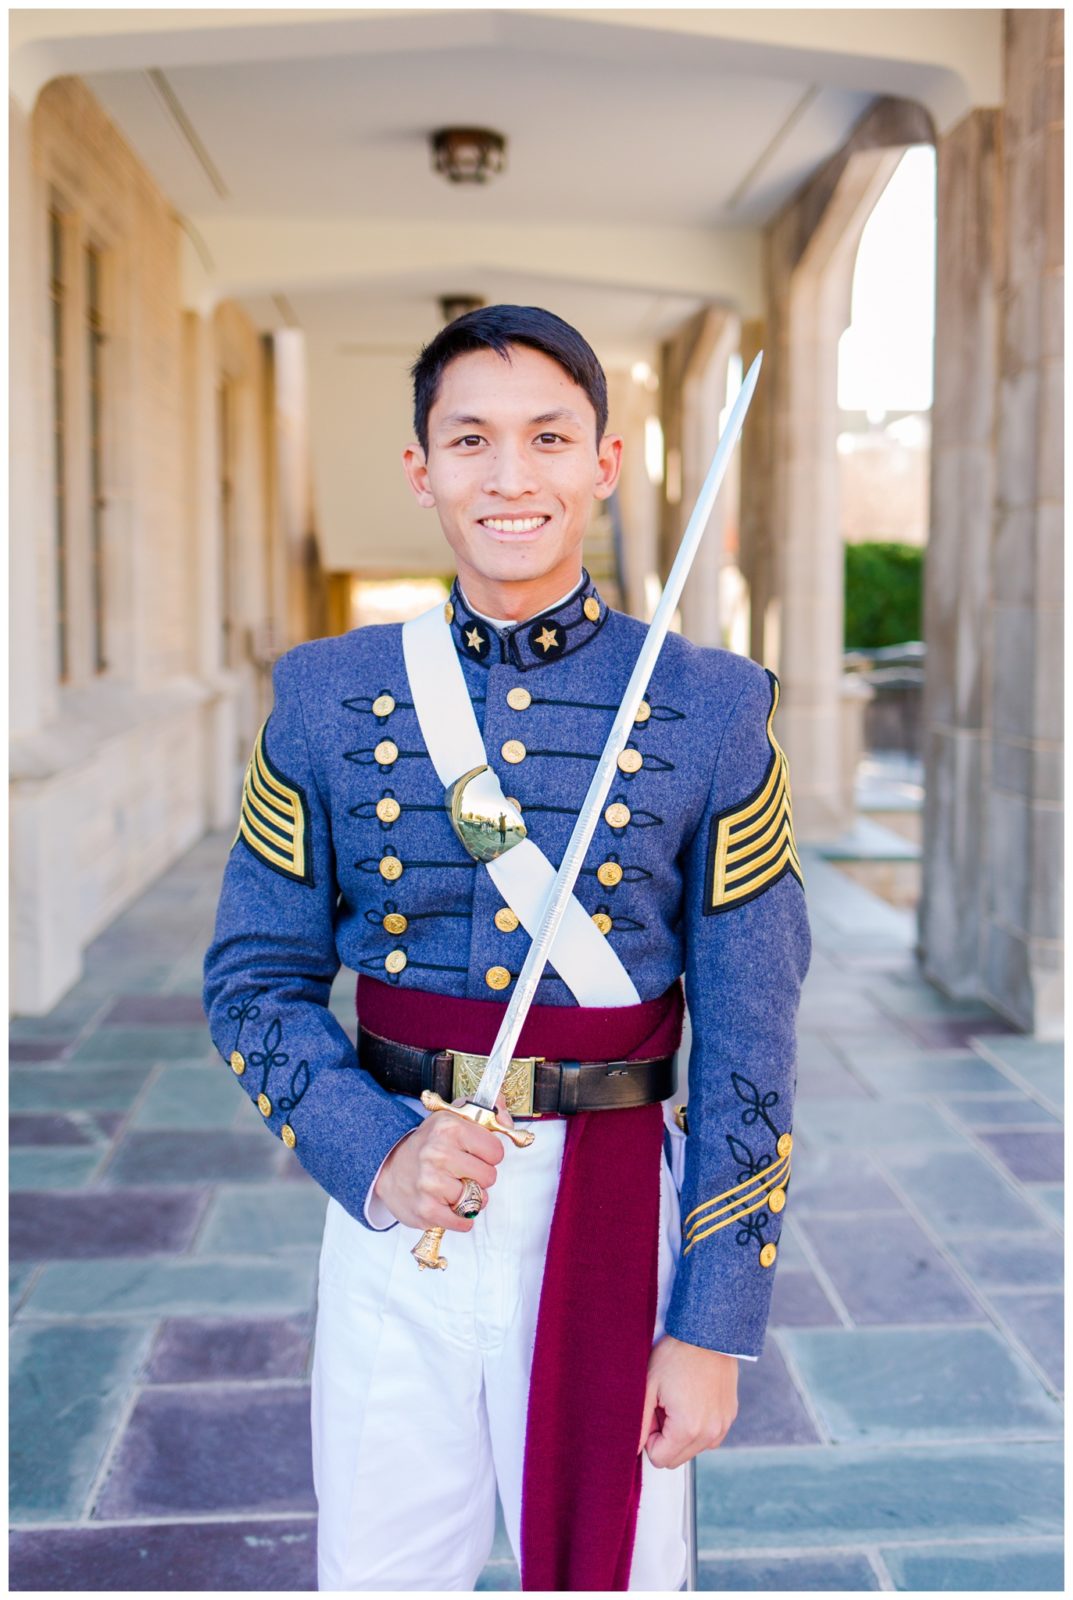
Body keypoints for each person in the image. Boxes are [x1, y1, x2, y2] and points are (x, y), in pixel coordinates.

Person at [202, 304, 811, 1592]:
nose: (510, 475)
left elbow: (753, 1036)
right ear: (421, 471)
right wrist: (376, 1152)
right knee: (378, 1571)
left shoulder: (714, 709)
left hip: (614, 1212)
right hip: (395, 1208)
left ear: (606, 462)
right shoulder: (327, 693)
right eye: (469, 440)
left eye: (549, 437)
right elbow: (251, 981)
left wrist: (715, 1325)